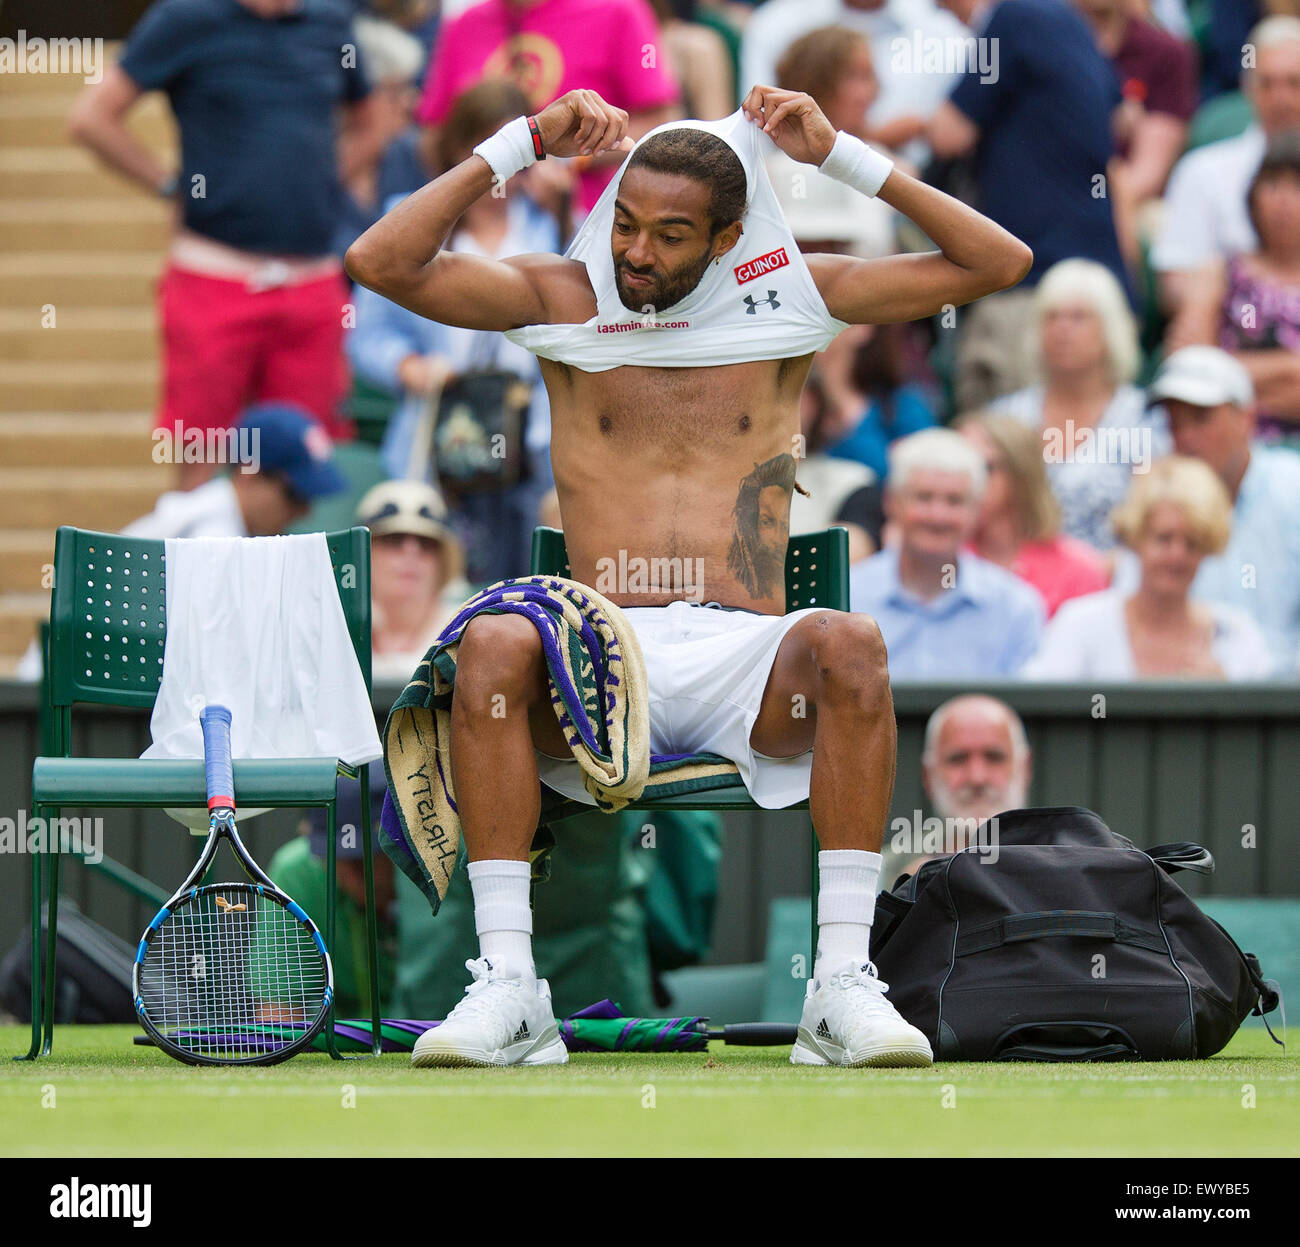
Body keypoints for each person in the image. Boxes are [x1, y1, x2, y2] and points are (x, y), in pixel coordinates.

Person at [346, 85, 1032, 1069]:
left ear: (728, 236)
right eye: (625, 222)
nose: (634, 252)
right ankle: (509, 987)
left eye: (669, 235)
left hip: (741, 659)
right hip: (595, 659)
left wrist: (838, 155)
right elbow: (379, 262)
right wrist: (519, 144)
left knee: (853, 643)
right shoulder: (562, 296)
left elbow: (996, 261)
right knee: (491, 639)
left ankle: (839, 985)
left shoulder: (794, 295)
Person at [67, 0, 379, 486]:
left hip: (311, 282)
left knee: (309, 462)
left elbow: (375, 118)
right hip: (212, 274)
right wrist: (168, 186)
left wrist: (321, 181)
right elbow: (91, 117)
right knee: (202, 456)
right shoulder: (184, 19)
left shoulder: (329, 20)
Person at [347, 80, 565, 583]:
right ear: (460, 150)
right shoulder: (411, 221)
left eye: (517, 153)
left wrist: (561, 205)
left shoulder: (549, 224)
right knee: (439, 577)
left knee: (527, 583)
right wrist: (410, 367)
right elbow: (365, 335)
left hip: (530, 440)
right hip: (441, 433)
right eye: (490, 150)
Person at [929, 0, 1133, 409]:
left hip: (1030, 283)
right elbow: (1126, 118)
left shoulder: (1015, 17)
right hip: (1096, 271)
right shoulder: (1068, 20)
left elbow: (947, 134)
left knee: (1016, 442)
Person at [412, 0, 683, 218]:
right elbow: (434, 138)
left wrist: (569, 158)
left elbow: (659, 124)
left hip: (588, 223)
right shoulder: (465, 24)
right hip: (482, 229)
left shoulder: (619, 11)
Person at [1023, 455, 1274, 679]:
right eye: (1164, 538)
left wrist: (1224, 697)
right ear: (1136, 537)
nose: (1177, 555)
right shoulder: (1080, 625)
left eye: (1192, 543)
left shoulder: (1238, 637)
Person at [988, 259, 1171, 555]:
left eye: (1078, 317)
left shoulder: (1144, 417)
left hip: (1111, 580)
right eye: (1051, 317)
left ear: (1109, 330)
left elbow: (1153, 517)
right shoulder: (1007, 417)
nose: (1062, 329)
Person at [1140, 344, 1300, 674]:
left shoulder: (1292, 488)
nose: (1185, 437)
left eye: (1200, 418)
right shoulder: (1157, 500)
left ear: (1247, 418)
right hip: (1186, 704)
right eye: (1174, 422)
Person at [848, 429, 1045, 677]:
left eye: (954, 501)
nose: (937, 516)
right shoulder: (847, 600)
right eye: (923, 497)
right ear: (891, 501)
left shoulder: (1015, 607)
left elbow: (1027, 709)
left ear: (977, 509)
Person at [1151, 14, 1300, 315]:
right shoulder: (1201, 172)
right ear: (1248, 90)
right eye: (1267, 84)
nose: (1281, 98)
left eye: (1294, 83)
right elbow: (1175, 283)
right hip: (1227, 343)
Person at [1166, 133, 1300, 439]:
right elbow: (1190, 367)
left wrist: (1233, 384)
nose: (1283, 200)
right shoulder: (1219, 272)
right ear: (1253, 196)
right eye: (1273, 183)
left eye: (1297, 186)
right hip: (1227, 440)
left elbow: (1211, 375)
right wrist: (1291, 369)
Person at [266, 768, 398, 1017]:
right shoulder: (296, 873)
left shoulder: (446, 867)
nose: (354, 878)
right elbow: (278, 1018)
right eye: (334, 856)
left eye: (367, 858)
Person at [957, 412, 1110, 617]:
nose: (964, 482)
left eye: (980, 468)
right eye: (958, 469)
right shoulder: (940, 561)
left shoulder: (1079, 570)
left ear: (1021, 472)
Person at [883, 693, 1031, 880]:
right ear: (928, 775)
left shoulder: (1065, 866)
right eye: (958, 759)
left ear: (1024, 768)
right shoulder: (885, 872)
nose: (977, 778)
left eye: (994, 757)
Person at [356, 480, 467, 684]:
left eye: (426, 544)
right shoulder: (340, 632)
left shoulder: (465, 636)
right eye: (394, 541)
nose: (411, 552)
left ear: (443, 562)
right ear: (364, 554)